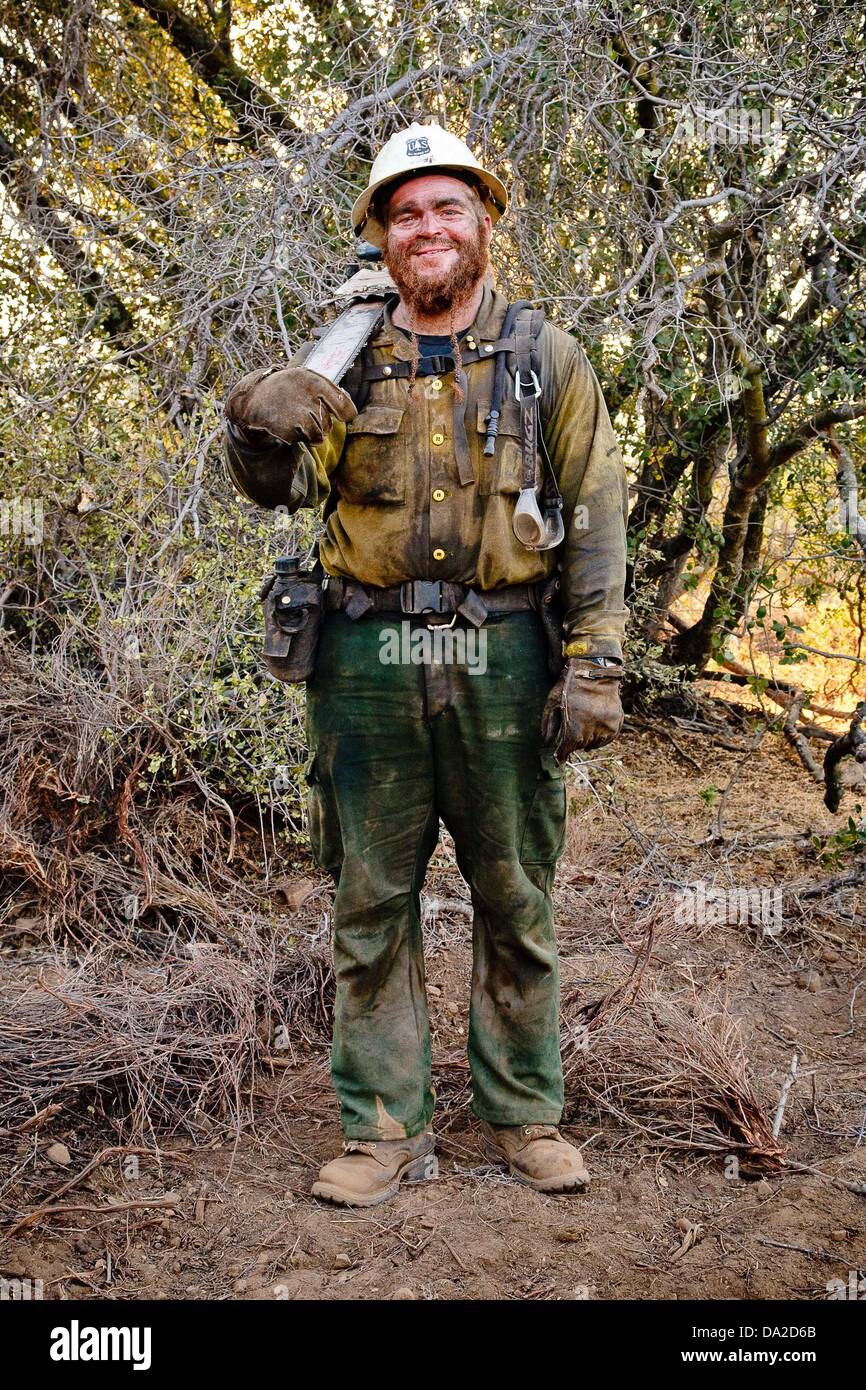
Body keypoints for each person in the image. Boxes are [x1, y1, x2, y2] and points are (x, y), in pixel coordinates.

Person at [222, 122, 630, 1207]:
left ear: (483, 225)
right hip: (363, 660)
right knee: (370, 898)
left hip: (503, 654)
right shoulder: (341, 354)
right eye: (405, 213)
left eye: (447, 207)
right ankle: (380, 1127)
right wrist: (252, 423)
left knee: (514, 895)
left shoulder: (546, 357)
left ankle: (521, 1114)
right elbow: (277, 487)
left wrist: (592, 665)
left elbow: (593, 520)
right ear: (382, 237)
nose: (428, 227)